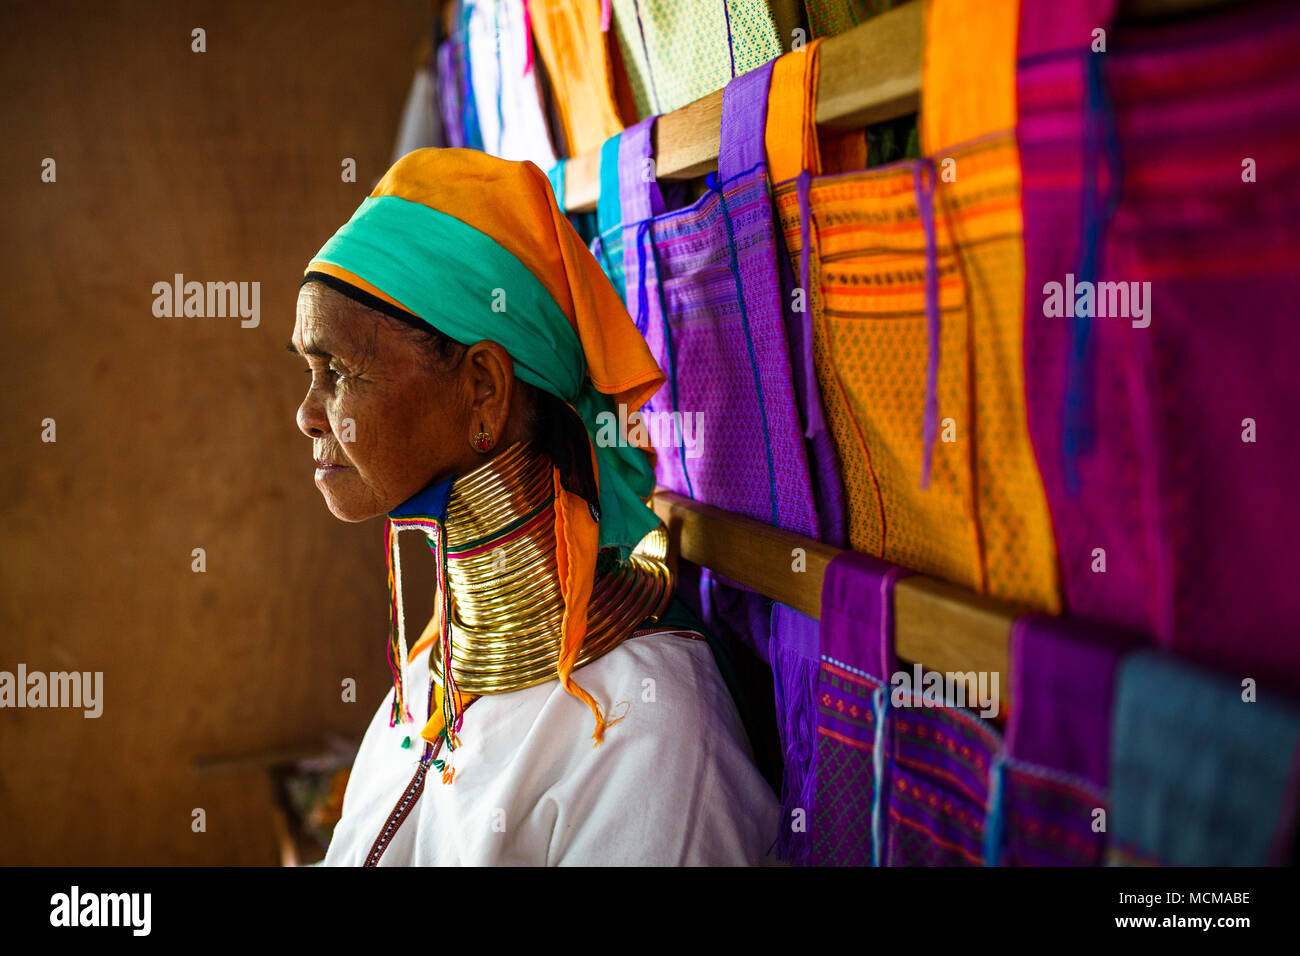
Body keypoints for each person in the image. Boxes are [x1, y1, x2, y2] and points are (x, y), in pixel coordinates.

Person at [289, 147, 779, 865]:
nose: (306, 414)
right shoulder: (427, 681)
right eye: (307, 371)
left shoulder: (645, 732)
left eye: (338, 371)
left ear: (482, 387)